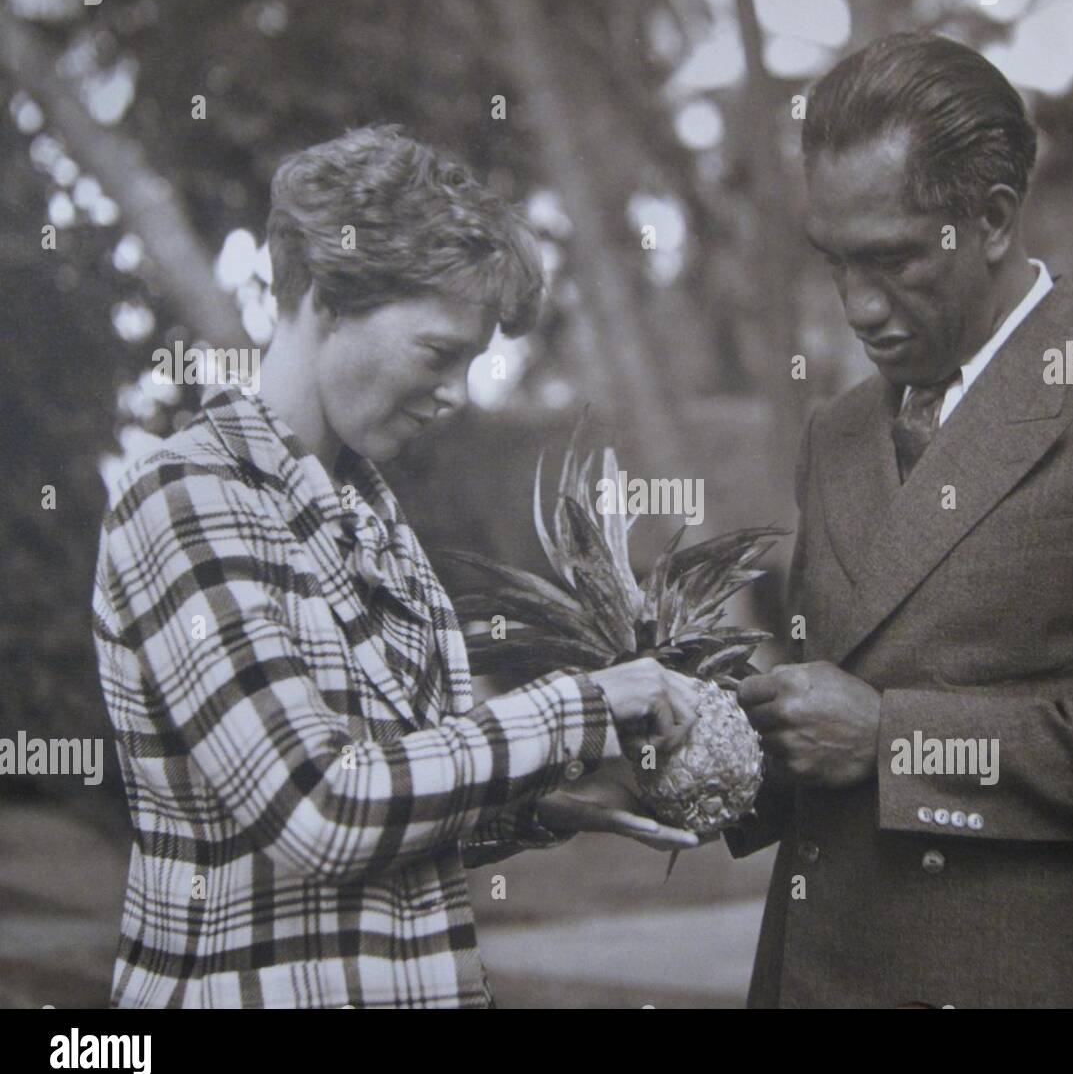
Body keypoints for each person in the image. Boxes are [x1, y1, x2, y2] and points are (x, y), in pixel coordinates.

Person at [91, 126, 699, 1009]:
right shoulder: (184, 497)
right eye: (438, 352)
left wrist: (539, 803)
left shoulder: (377, 521)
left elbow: (405, 789)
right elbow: (323, 812)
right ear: (330, 300)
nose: (457, 392)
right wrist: (585, 704)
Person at [729, 33, 1073, 1008]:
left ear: (992, 218)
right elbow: (828, 705)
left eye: (889, 259)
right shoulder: (836, 429)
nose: (856, 307)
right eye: (834, 261)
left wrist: (895, 743)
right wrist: (691, 749)